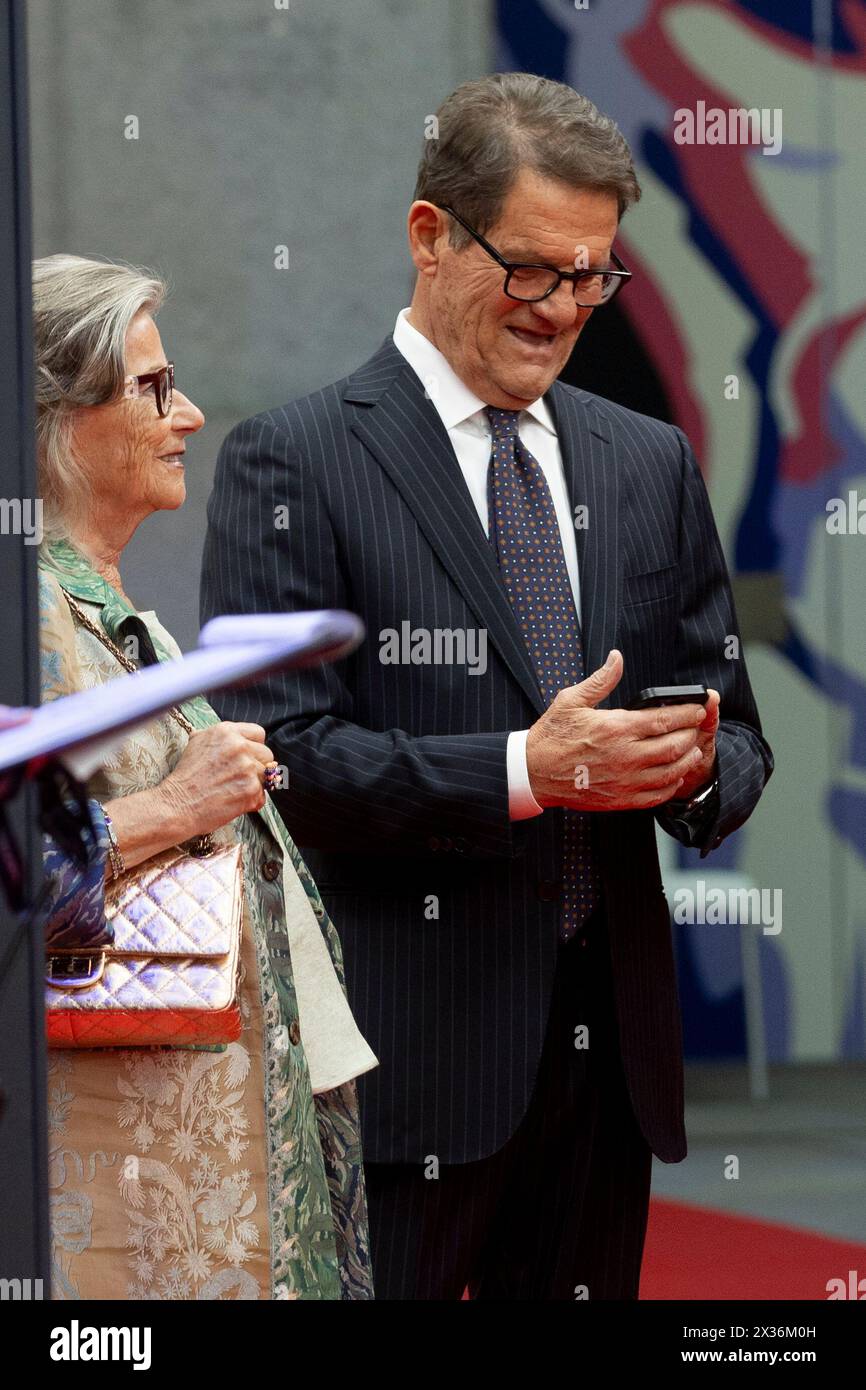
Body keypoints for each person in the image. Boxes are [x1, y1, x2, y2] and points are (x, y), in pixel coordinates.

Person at [200, 73, 773, 1300]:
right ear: (428, 236)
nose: (566, 307)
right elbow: (274, 757)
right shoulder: (292, 458)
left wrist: (689, 770)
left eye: (593, 275)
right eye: (532, 270)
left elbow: (733, 733)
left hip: (607, 1076)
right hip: (401, 1068)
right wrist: (526, 770)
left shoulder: (645, 460)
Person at [33, 254, 377, 1301]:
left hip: (201, 1180)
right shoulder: (22, 619)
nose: (186, 414)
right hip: (117, 1208)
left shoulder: (109, 611)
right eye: (150, 387)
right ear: (52, 414)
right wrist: (172, 806)